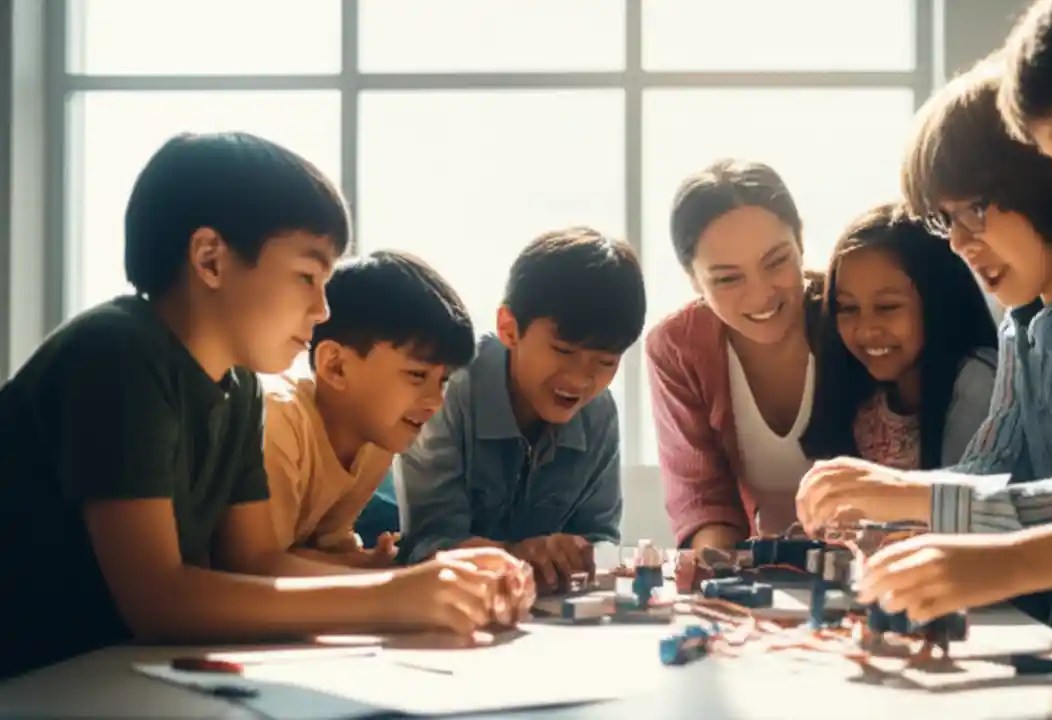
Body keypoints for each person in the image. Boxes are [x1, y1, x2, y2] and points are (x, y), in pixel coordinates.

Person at [0, 132, 532, 680]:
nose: (322, 308)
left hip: (105, 673)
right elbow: (159, 599)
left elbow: (254, 561)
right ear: (210, 259)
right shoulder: (117, 353)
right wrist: (392, 596)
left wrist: (437, 580)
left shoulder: (241, 386)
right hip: (32, 673)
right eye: (308, 276)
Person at [797, 61, 1052, 656]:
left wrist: (903, 492)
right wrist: (884, 505)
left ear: (1037, 177)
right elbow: (987, 468)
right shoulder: (1022, 321)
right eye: (947, 221)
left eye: (976, 209)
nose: (962, 244)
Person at [398, 227, 646, 593]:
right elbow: (426, 546)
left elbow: (601, 537)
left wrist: (585, 554)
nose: (580, 380)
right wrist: (517, 554)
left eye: (606, 362)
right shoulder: (447, 391)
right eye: (563, 351)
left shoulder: (599, 413)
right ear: (509, 329)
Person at [647, 160, 823, 548]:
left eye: (777, 261)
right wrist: (722, 573)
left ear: (801, 242)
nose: (761, 295)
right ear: (693, 280)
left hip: (872, 565)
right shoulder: (677, 347)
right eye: (728, 278)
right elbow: (700, 497)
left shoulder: (852, 315)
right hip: (759, 570)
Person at [262, 250, 475, 568]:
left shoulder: (377, 442)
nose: (436, 401)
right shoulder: (280, 421)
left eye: (443, 381)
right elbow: (260, 565)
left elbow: (328, 547)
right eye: (417, 375)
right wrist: (390, 581)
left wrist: (374, 561)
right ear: (335, 366)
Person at [799, 202, 998, 475]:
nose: (866, 330)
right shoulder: (861, 398)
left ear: (939, 300)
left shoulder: (976, 383)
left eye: (887, 307)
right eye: (848, 308)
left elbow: (962, 503)